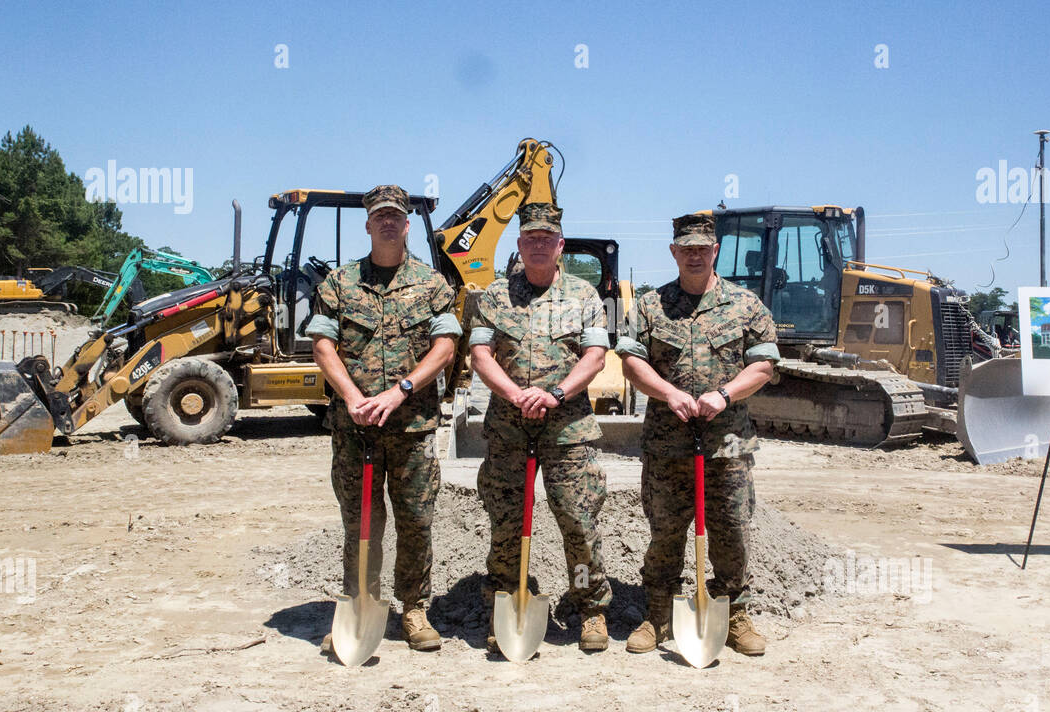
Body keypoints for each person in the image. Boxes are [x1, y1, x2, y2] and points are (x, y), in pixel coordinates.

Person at [305, 185, 461, 652]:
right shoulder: (338, 284)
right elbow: (322, 346)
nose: (389, 222)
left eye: (396, 216)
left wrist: (400, 391)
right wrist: (352, 398)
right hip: (354, 430)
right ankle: (360, 603)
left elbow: (446, 348)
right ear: (368, 224)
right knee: (361, 522)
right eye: (380, 216)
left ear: (407, 224)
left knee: (416, 519)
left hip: (412, 427)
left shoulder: (433, 285)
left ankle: (413, 609)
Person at [616, 212, 779, 656]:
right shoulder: (651, 306)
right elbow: (632, 363)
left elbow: (763, 365)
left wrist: (724, 395)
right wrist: (669, 393)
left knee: (731, 529)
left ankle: (734, 613)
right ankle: (658, 613)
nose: (693, 255)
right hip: (667, 443)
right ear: (673, 252)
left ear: (715, 252)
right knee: (665, 530)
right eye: (685, 248)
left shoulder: (746, 306)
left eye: (701, 249)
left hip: (728, 443)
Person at [469, 202, 613, 652]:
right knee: (507, 521)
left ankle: (589, 608)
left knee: (578, 519)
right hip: (509, 429)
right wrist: (516, 395)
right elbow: (480, 355)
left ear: (560, 246)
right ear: (518, 244)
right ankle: (506, 602)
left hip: (568, 429)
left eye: (546, 239)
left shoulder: (584, 297)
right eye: (530, 238)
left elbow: (595, 356)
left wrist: (555, 395)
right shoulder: (494, 296)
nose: (538, 245)